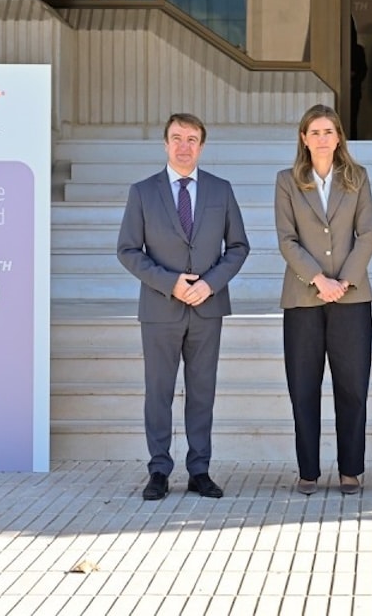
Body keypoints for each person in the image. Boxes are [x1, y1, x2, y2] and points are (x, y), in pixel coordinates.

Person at [117, 113, 250, 501]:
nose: (184, 146)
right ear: (165, 143)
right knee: (158, 391)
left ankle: (199, 470)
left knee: (202, 391)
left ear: (202, 146)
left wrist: (209, 284)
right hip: (160, 308)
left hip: (207, 308)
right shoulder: (142, 192)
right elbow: (127, 250)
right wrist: (170, 283)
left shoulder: (221, 190)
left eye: (192, 139)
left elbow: (238, 247)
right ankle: (158, 469)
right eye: (177, 138)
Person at [274, 104, 372, 496]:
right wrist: (318, 280)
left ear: (338, 138)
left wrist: (342, 282)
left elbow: (367, 235)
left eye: (328, 131)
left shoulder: (357, 178)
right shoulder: (286, 181)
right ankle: (309, 471)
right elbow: (287, 239)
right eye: (314, 132)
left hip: (351, 299)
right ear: (303, 137)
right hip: (303, 297)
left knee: (352, 386)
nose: (321, 138)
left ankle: (351, 469)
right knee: (303, 386)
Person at [350, 17, 368, 140]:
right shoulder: (335, 50)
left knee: (353, 120)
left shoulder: (358, 50)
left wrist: (353, 79)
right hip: (338, 91)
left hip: (354, 90)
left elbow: (363, 70)